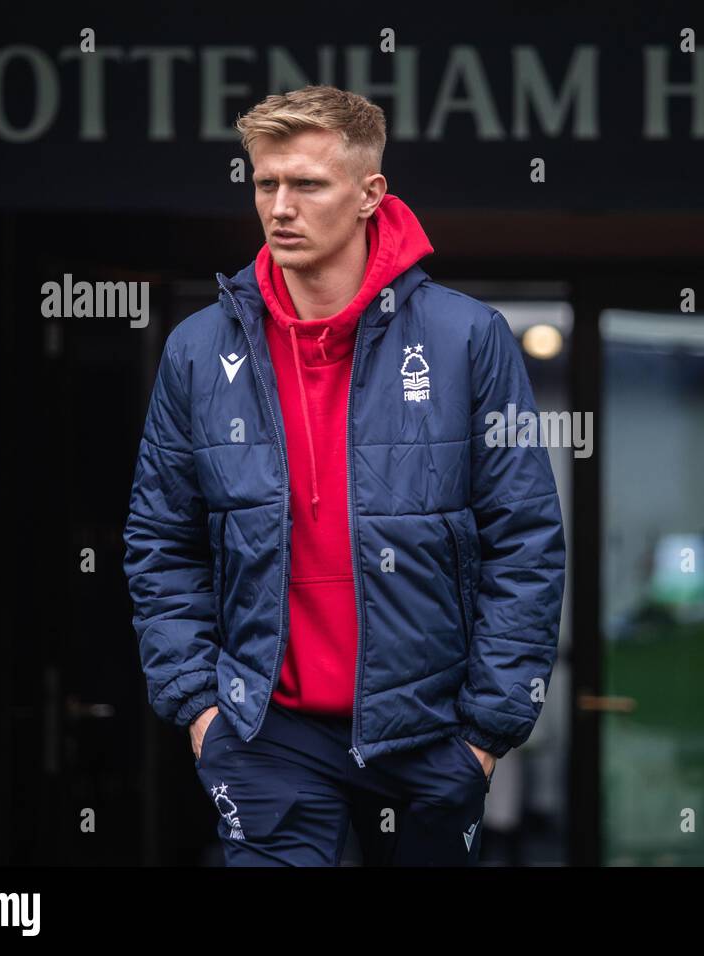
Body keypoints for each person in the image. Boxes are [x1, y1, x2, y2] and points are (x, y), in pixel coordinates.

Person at [122, 85, 566, 865]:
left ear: (369, 194)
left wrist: (485, 735)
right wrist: (200, 708)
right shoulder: (198, 351)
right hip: (267, 735)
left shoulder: (468, 339)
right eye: (266, 184)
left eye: (308, 184)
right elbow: (161, 542)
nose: (280, 207)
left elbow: (525, 541)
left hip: (430, 736)